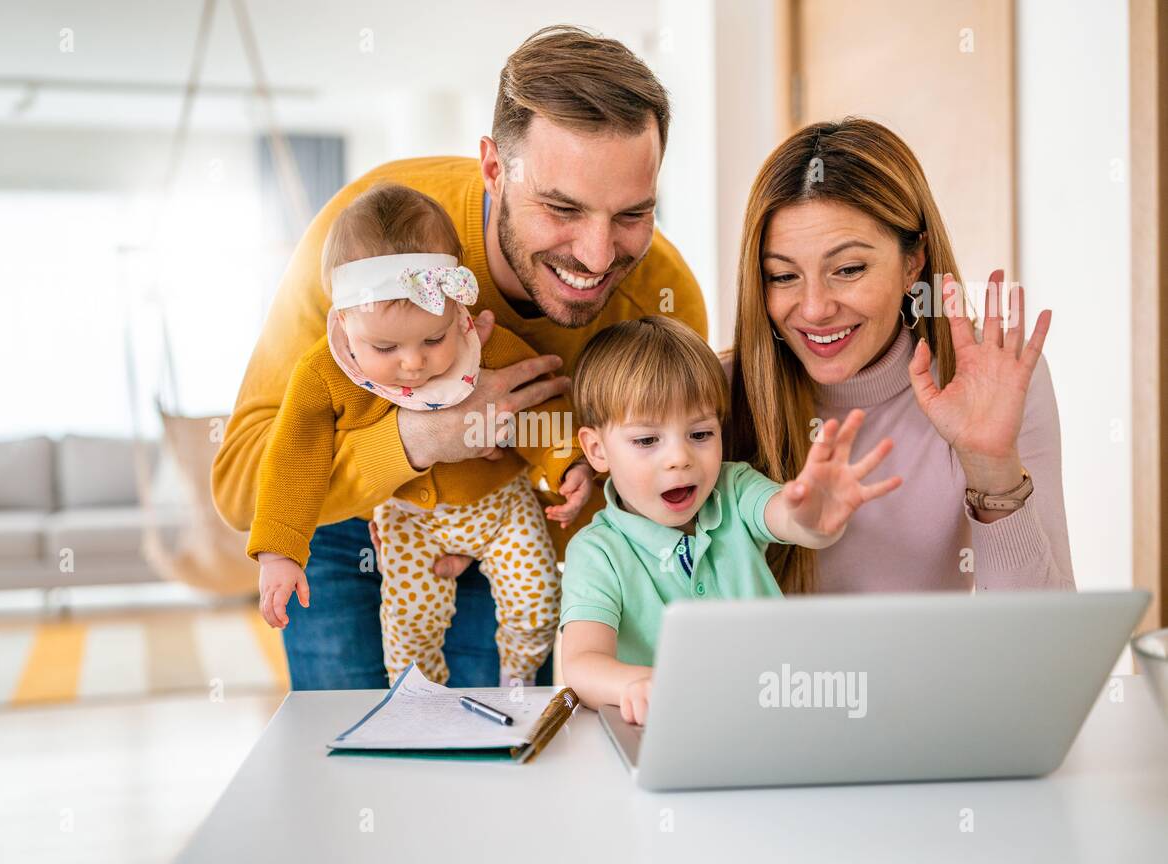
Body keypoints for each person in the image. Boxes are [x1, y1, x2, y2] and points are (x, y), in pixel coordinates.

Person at [213, 26, 705, 688]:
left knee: (490, 754)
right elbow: (244, 484)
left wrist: (514, 512)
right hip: (343, 520)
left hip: (514, 521)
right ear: (494, 169)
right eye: (562, 208)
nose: (596, 255)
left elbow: (648, 502)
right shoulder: (363, 244)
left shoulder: (660, 299)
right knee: (355, 751)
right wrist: (421, 441)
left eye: (631, 215)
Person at [249, 183, 594, 687]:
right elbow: (293, 457)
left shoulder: (484, 343)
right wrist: (281, 552)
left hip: (502, 504)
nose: (413, 362)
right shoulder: (323, 373)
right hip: (411, 517)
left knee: (539, 600)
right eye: (385, 347)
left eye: (433, 339)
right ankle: (419, 700)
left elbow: (538, 404)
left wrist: (567, 465)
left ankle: (518, 683)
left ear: (457, 310)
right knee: (410, 626)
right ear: (344, 323)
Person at [726, 118, 1074, 595]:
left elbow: (1047, 649)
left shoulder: (989, 382)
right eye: (783, 276)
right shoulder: (717, 394)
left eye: (847, 269)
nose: (814, 309)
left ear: (914, 262)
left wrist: (993, 469)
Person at [559, 316, 900, 724]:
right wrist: (634, 685)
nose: (679, 458)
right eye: (647, 440)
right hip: (673, 727)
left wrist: (813, 515)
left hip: (781, 716)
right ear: (597, 450)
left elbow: (785, 517)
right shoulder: (597, 551)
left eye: (700, 434)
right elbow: (582, 662)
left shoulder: (734, 488)